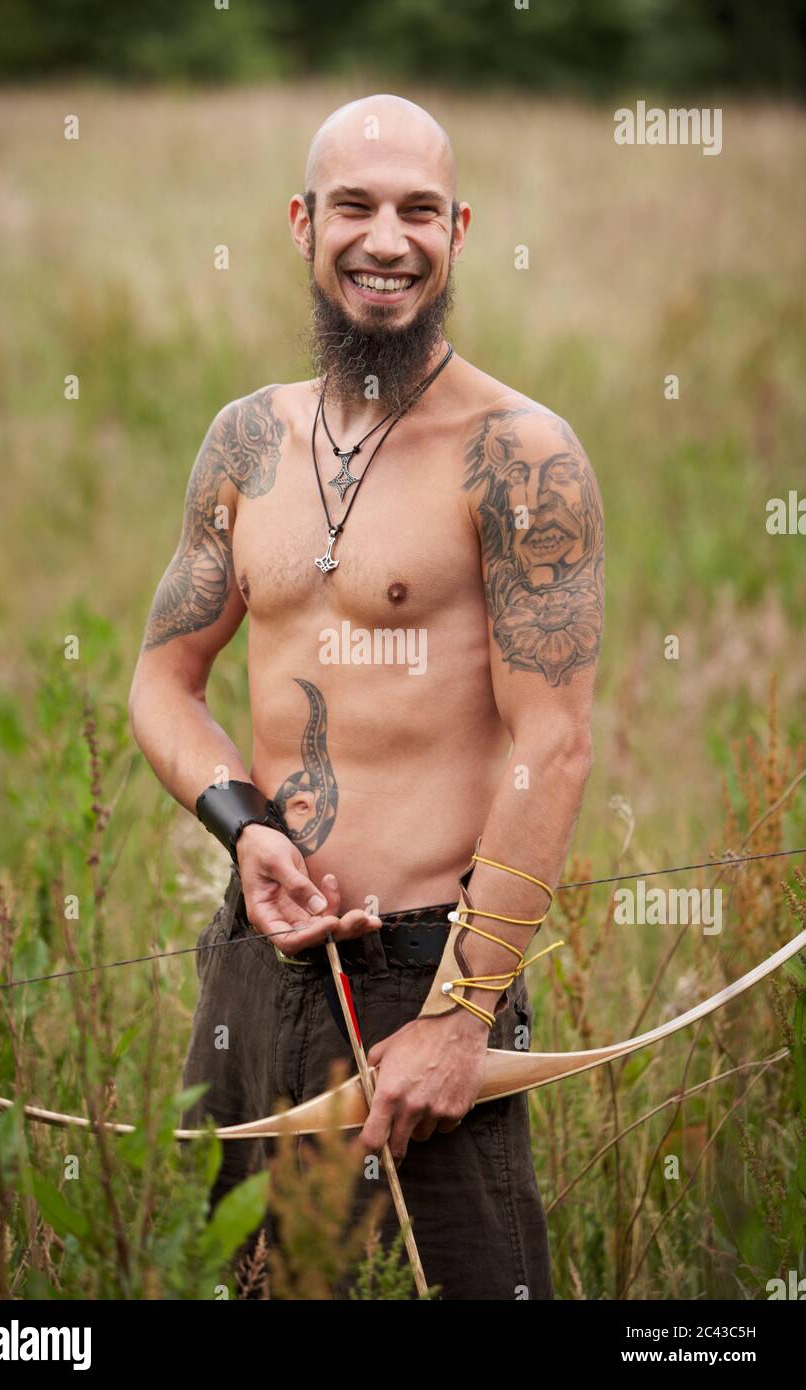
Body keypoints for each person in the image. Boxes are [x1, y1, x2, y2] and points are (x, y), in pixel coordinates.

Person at [128, 93, 604, 1300]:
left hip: (425, 979)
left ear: (458, 229)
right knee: (246, 1288)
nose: (384, 239)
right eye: (354, 205)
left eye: (416, 211)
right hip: (256, 964)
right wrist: (247, 835)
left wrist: (459, 1017)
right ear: (301, 222)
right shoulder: (245, 440)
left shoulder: (520, 452)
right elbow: (162, 680)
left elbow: (549, 751)